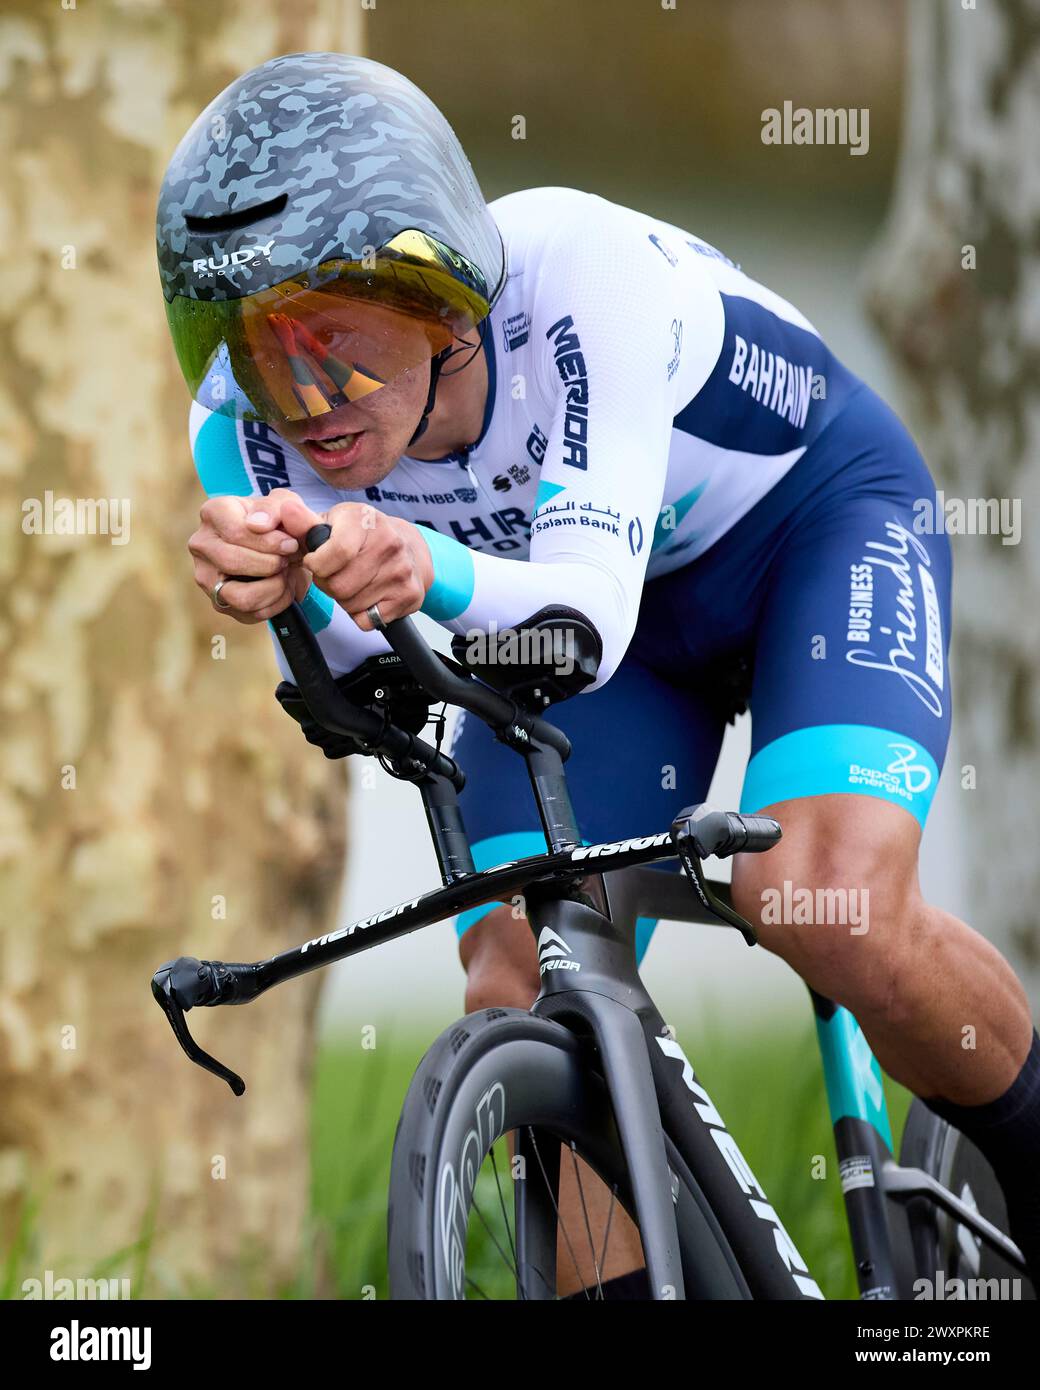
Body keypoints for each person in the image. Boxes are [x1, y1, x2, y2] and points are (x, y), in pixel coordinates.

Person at [158, 51, 1040, 1296]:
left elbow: (579, 616)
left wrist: (417, 563)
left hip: (807, 529)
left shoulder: (581, 278)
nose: (305, 400)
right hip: (599, 628)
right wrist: (289, 600)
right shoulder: (238, 430)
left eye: (342, 344)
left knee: (820, 894)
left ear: (439, 295)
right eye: (258, 350)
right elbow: (376, 696)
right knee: (519, 969)